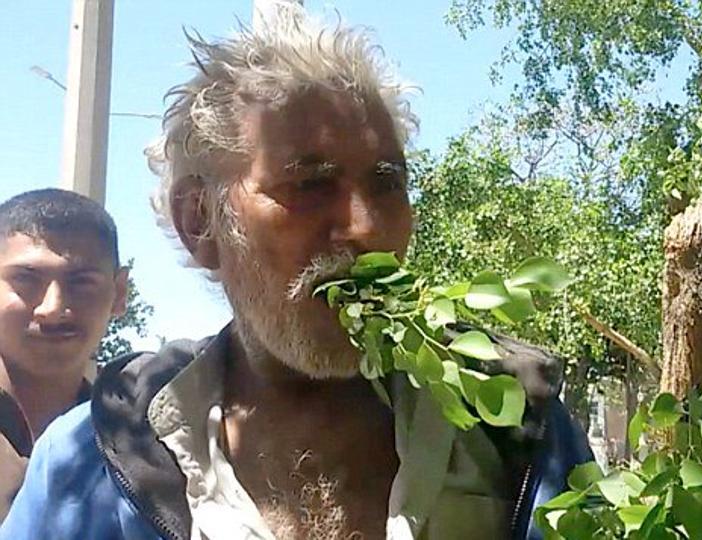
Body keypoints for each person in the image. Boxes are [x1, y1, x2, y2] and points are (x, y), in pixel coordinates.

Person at [1, 6, 591, 540]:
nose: (364, 230)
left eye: (387, 183)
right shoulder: (94, 461)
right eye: (309, 185)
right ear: (201, 221)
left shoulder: (514, 429)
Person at [0, 189, 128, 521]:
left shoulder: (137, 447)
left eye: (82, 282)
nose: (53, 309)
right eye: (26, 280)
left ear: (119, 294)